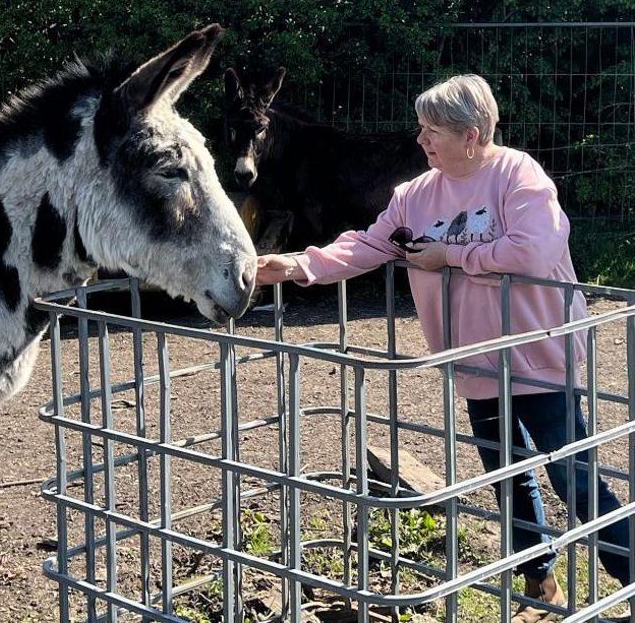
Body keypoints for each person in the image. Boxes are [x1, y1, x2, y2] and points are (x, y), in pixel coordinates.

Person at [256, 75, 630, 622]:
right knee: (506, 472)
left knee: (573, 476)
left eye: (433, 130)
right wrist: (296, 266)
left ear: (472, 134)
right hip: (474, 359)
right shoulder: (416, 194)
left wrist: (449, 257)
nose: (421, 139)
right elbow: (368, 244)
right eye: (422, 128)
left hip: (536, 354)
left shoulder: (517, 175)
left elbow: (534, 250)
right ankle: (541, 586)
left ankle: (630, 578)